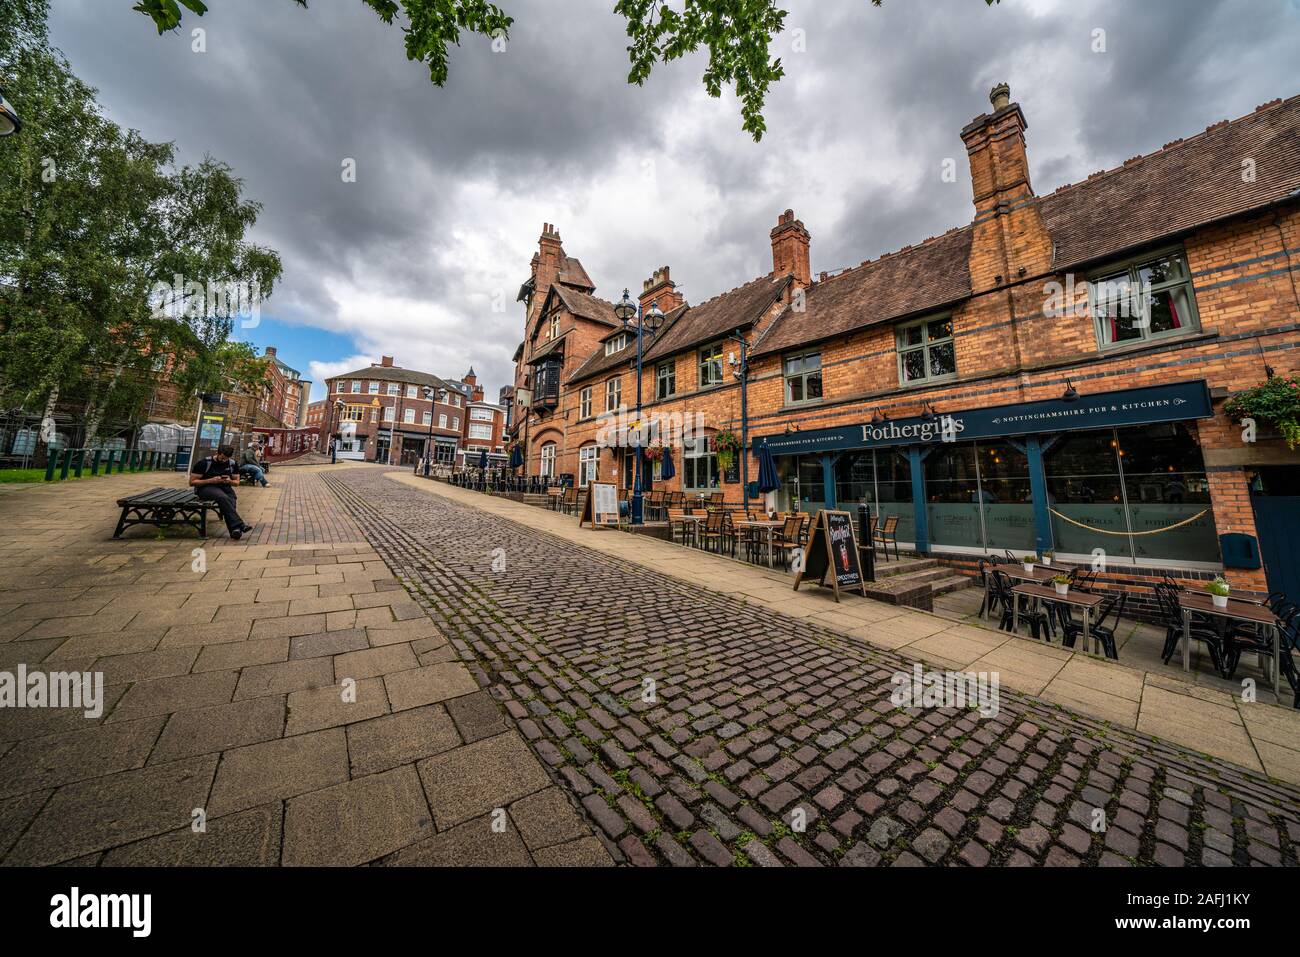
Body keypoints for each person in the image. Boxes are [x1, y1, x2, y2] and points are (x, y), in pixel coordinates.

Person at [191, 445, 252, 540]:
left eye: (226, 459)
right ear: (217, 453)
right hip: (205, 488)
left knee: (231, 500)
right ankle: (240, 525)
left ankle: (235, 530)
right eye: (222, 458)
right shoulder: (204, 463)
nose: (224, 460)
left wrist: (229, 481)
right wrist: (210, 480)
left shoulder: (232, 464)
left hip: (224, 487)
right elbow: (192, 482)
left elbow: (236, 483)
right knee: (222, 497)